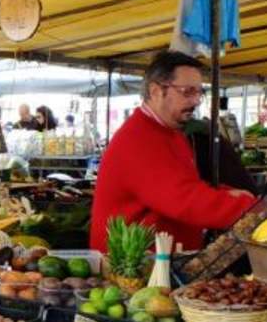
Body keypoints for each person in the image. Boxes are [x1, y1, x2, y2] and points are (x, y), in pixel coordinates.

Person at [90, 51, 256, 251]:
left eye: (199, 93)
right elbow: (184, 200)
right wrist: (253, 210)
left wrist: (229, 194)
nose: (195, 101)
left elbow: (185, 184)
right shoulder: (139, 139)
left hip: (166, 263)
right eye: (187, 92)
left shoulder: (170, 132)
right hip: (134, 269)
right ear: (155, 91)